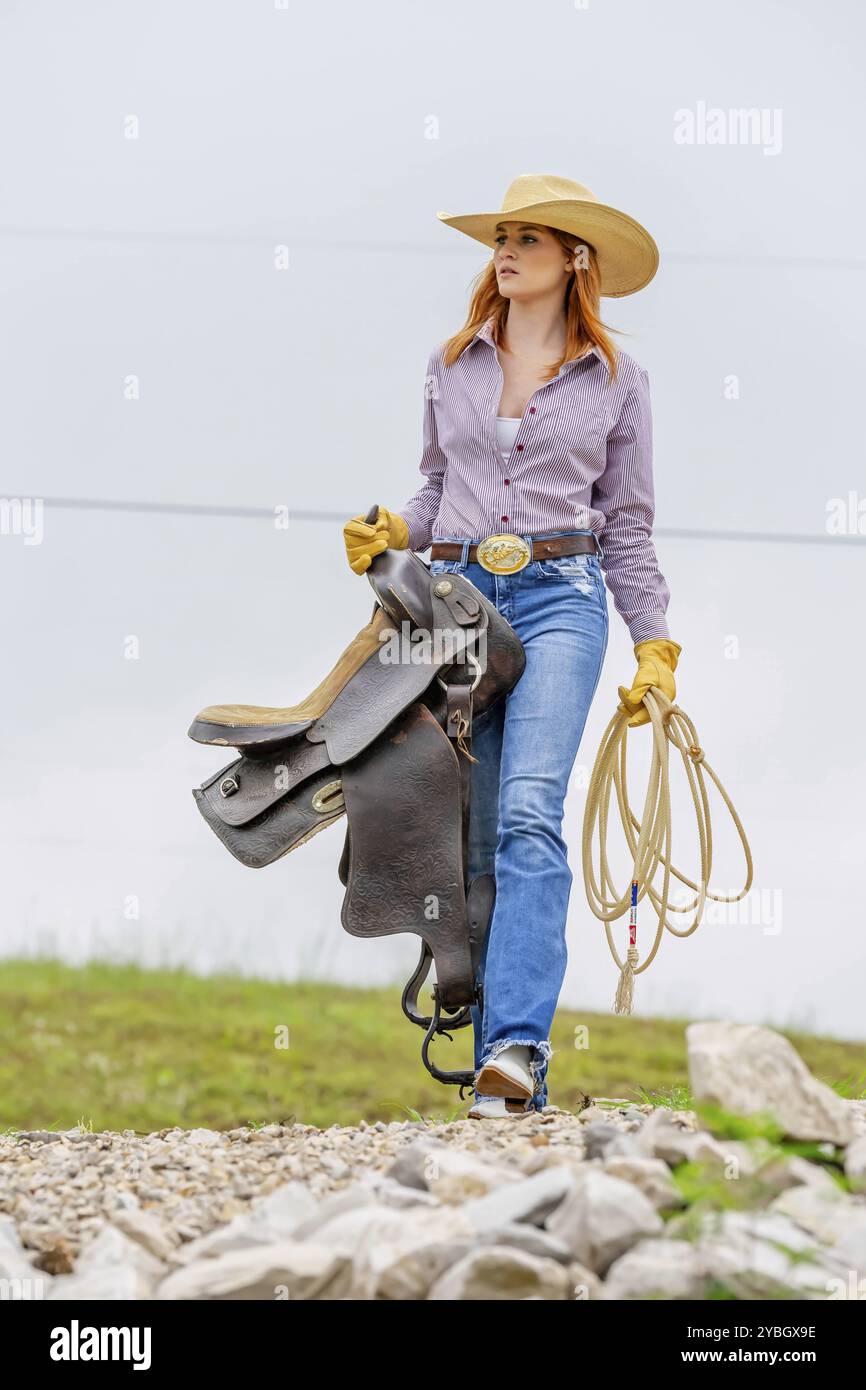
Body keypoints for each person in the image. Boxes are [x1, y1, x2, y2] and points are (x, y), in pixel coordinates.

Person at [342, 174, 682, 1119]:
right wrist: (392, 532)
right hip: (453, 601)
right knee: (476, 827)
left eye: (531, 237)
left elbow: (627, 526)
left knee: (532, 809)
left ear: (576, 258)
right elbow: (433, 485)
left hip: (560, 597)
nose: (507, 249)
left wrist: (655, 642)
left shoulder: (619, 382)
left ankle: (518, 1050)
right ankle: (493, 1046)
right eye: (503, 235)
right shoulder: (451, 362)